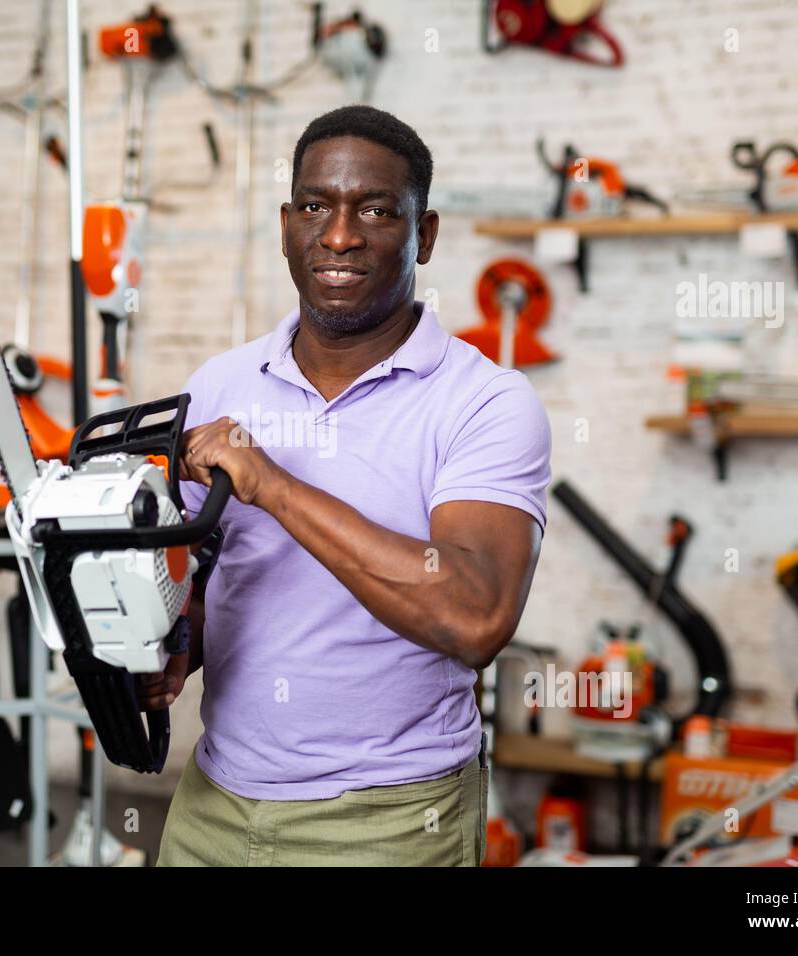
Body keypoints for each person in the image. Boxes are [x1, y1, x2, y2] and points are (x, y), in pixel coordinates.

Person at [144, 105, 551, 866]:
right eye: (314, 206)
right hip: (213, 803)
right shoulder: (221, 384)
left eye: (374, 210)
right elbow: (193, 577)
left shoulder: (487, 402)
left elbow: (476, 616)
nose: (338, 236)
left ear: (424, 234)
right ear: (286, 223)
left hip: (391, 820)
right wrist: (164, 646)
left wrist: (277, 486)